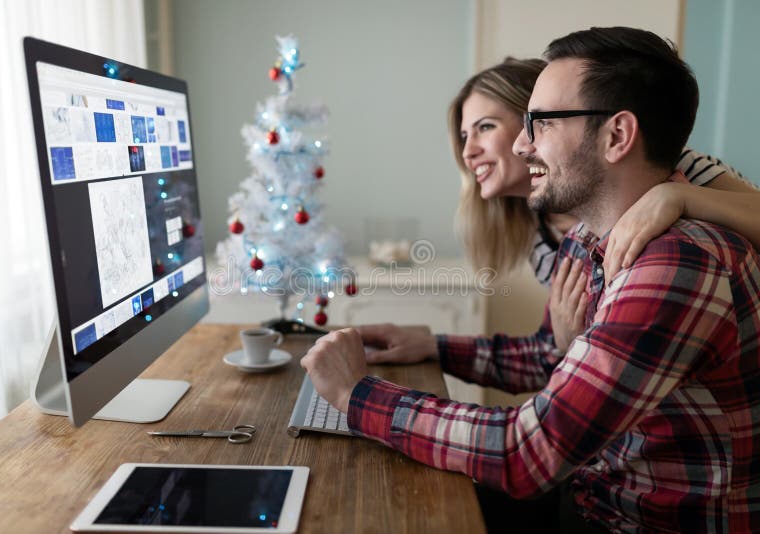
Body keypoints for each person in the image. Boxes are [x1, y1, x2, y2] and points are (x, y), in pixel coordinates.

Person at [301, 27, 760, 532]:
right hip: (593, 491)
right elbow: (549, 353)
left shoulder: (679, 259)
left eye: (538, 123)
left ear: (618, 136)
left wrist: (356, 396)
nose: (522, 145)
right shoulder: (587, 236)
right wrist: (432, 345)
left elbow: (527, 451)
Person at [449, 57, 759, 351]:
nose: (467, 152)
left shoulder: (669, 167)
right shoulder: (539, 230)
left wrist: (677, 196)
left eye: (485, 127)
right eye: (464, 136)